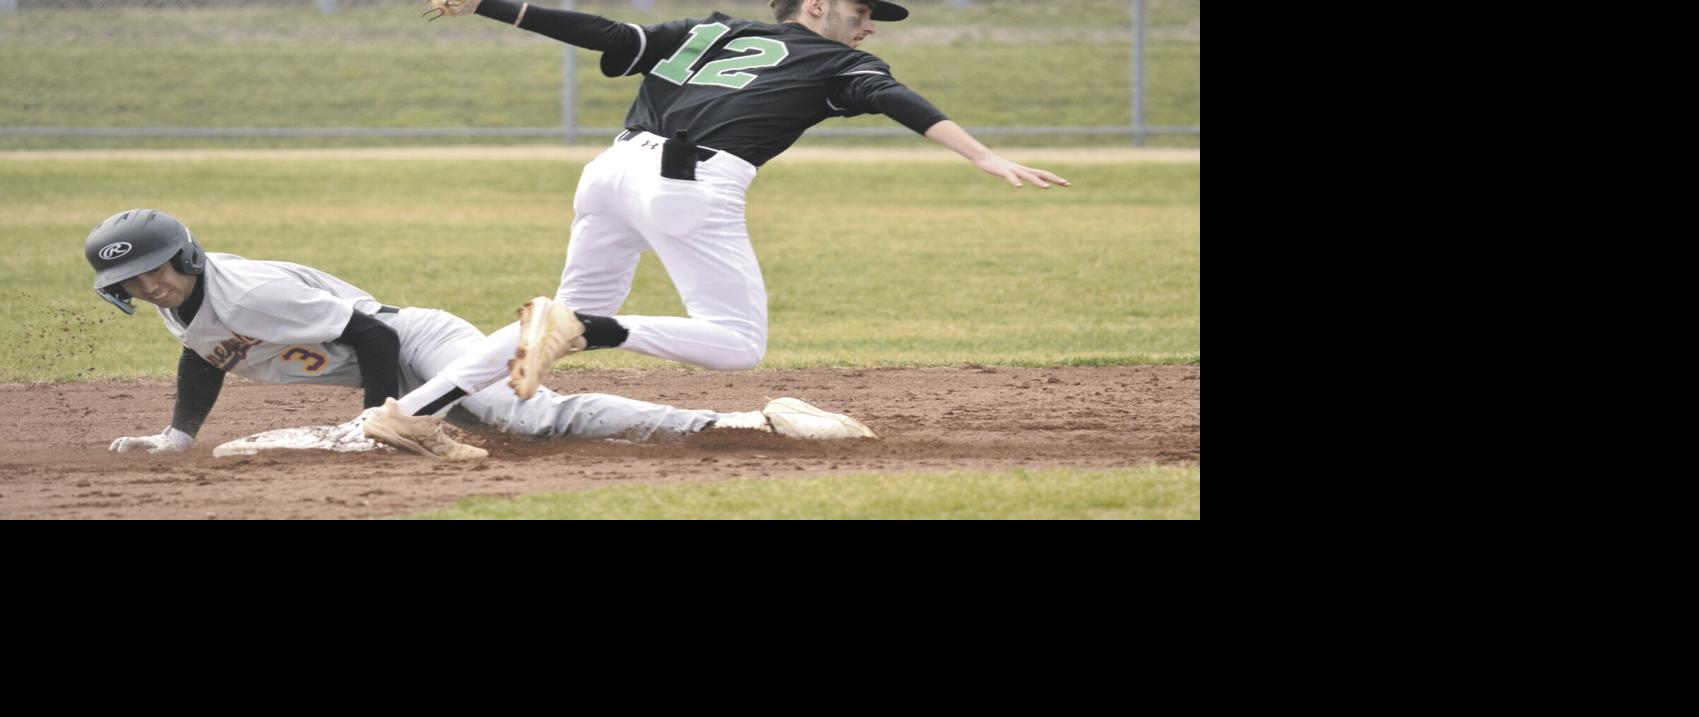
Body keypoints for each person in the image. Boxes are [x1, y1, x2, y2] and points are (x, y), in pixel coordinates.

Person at [425, 0, 1069, 391]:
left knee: (559, 318)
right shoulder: (832, 60)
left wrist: (490, 4)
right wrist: (981, 154)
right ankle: (583, 328)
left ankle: (414, 410)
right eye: (861, 11)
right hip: (686, 181)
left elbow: (611, 36)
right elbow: (892, 98)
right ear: (815, 7)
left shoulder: (714, 31)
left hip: (611, 167)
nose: (869, 25)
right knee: (735, 343)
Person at [84, 208, 876, 461]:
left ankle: (750, 422)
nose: (150, 284)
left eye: (157, 268)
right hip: (400, 358)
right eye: (133, 282)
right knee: (523, 430)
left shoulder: (247, 288)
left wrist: (381, 420)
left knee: (527, 415)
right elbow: (204, 361)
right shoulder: (180, 305)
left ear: (183, 254)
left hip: (418, 344)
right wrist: (177, 438)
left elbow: (373, 334)